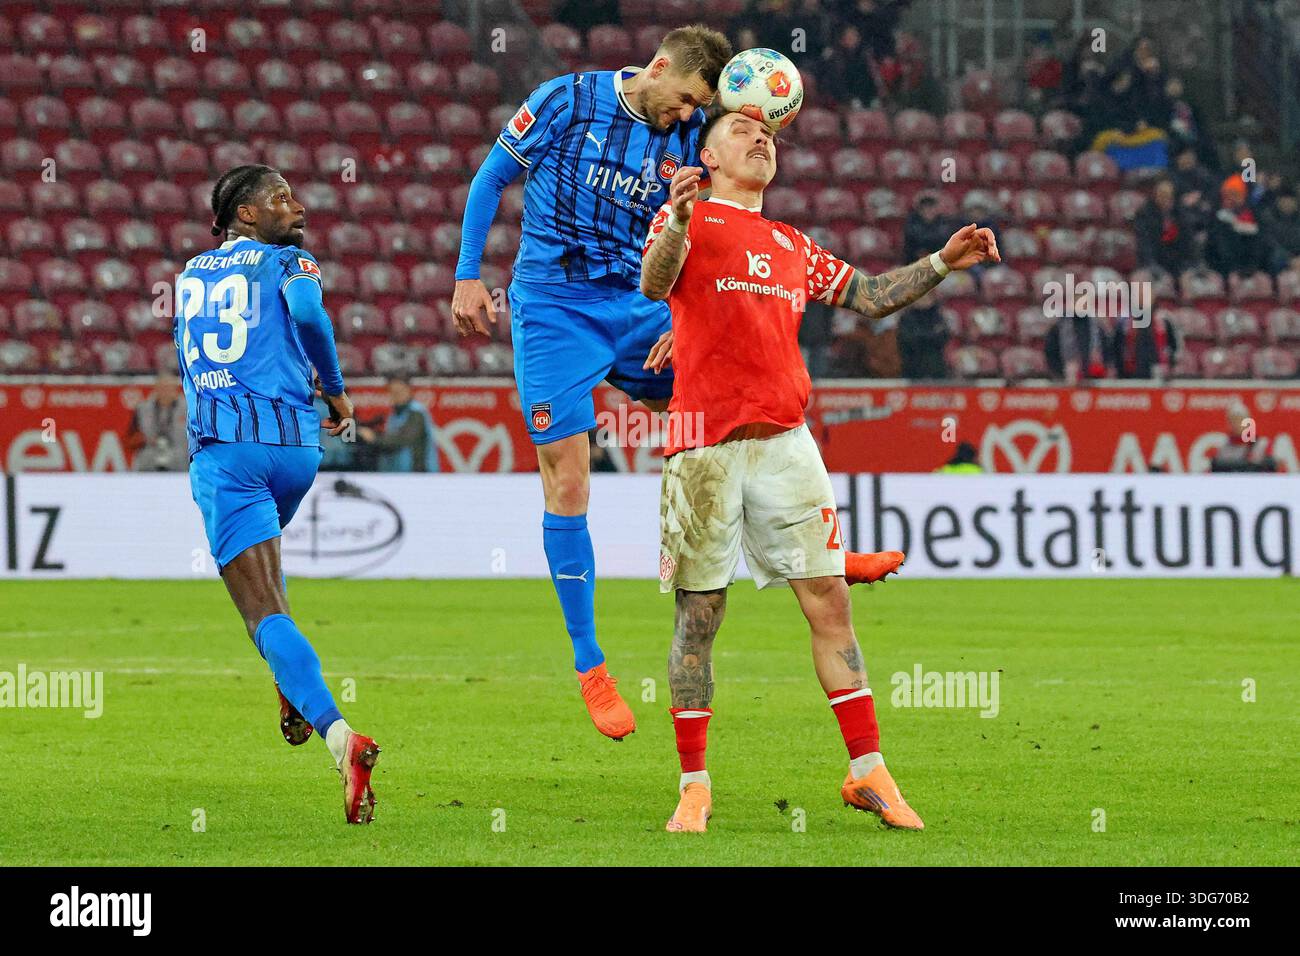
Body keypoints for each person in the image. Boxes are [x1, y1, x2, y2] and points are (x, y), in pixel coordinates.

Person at [452, 25, 897, 740]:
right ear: (658, 68)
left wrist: (685, 314)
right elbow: (490, 178)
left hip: (638, 301)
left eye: (698, 108)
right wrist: (468, 274)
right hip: (556, 306)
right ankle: (591, 664)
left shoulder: (689, 132)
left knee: (740, 400)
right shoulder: (565, 100)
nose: (688, 116)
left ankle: (821, 557)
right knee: (568, 477)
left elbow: (717, 199)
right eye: (686, 100)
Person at [640, 109, 1000, 833]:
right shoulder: (686, 217)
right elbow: (655, 284)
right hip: (704, 445)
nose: (759, 138)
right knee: (700, 615)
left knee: (830, 603)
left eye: (767, 133)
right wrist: (676, 219)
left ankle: (868, 770)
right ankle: (694, 784)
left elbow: (870, 296)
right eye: (741, 131)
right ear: (708, 157)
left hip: (786, 441)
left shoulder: (790, 244)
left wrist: (940, 262)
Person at [176, 164, 380, 824]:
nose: (297, 207)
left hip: (227, 450)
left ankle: (341, 739)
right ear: (246, 214)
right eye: (280, 199)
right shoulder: (289, 262)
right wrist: (336, 389)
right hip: (296, 449)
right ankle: (289, 685)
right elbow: (309, 313)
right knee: (272, 582)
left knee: (261, 610)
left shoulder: (189, 275)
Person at [358, 376, 438, 472]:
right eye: (393, 392)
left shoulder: (416, 412)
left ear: (409, 390)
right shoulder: (394, 414)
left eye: (400, 391)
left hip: (417, 473)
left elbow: (403, 438)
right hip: (399, 473)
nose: (397, 395)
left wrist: (374, 438)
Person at [126, 370, 188, 472]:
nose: (165, 392)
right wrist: (144, 439)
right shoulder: (143, 409)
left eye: (169, 388)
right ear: (155, 389)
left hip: (181, 462)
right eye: (162, 388)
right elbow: (130, 439)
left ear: (176, 389)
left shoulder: (188, 409)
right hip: (148, 462)